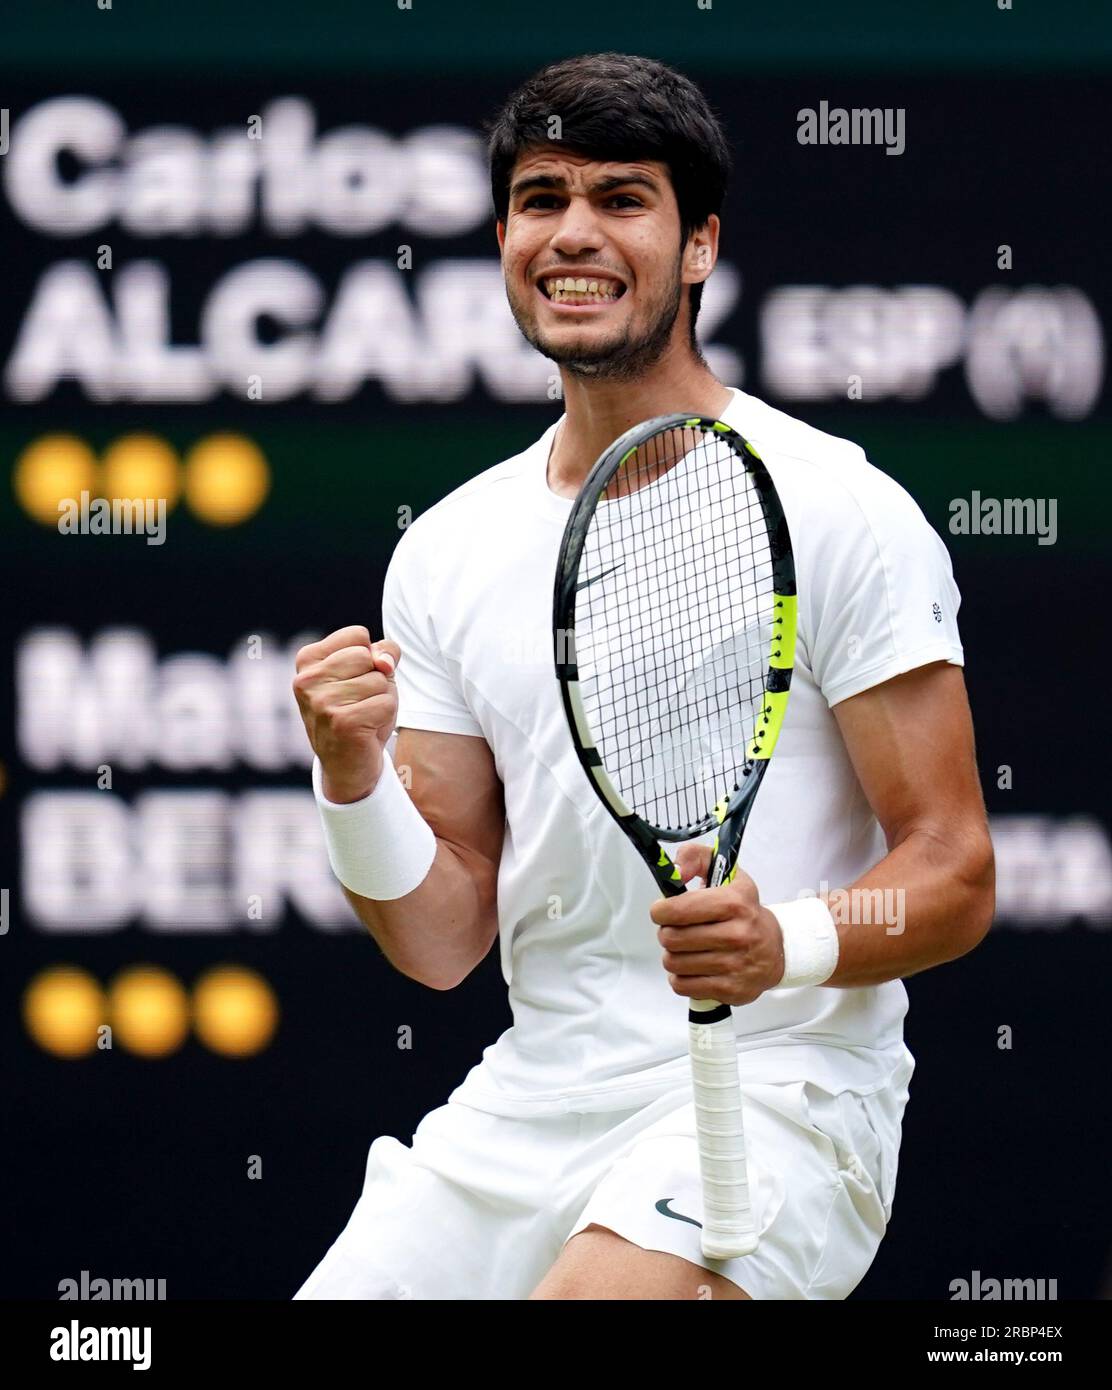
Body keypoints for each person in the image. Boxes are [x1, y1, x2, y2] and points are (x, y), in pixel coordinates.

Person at [292, 52, 994, 1300]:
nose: (573, 232)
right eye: (542, 196)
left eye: (622, 199)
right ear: (503, 234)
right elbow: (442, 941)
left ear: (698, 246)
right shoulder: (445, 547)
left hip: (778, 1089)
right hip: (534, 1099)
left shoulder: (837, 504)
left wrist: (783, 940)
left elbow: (953, 870)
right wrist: (353, 785)